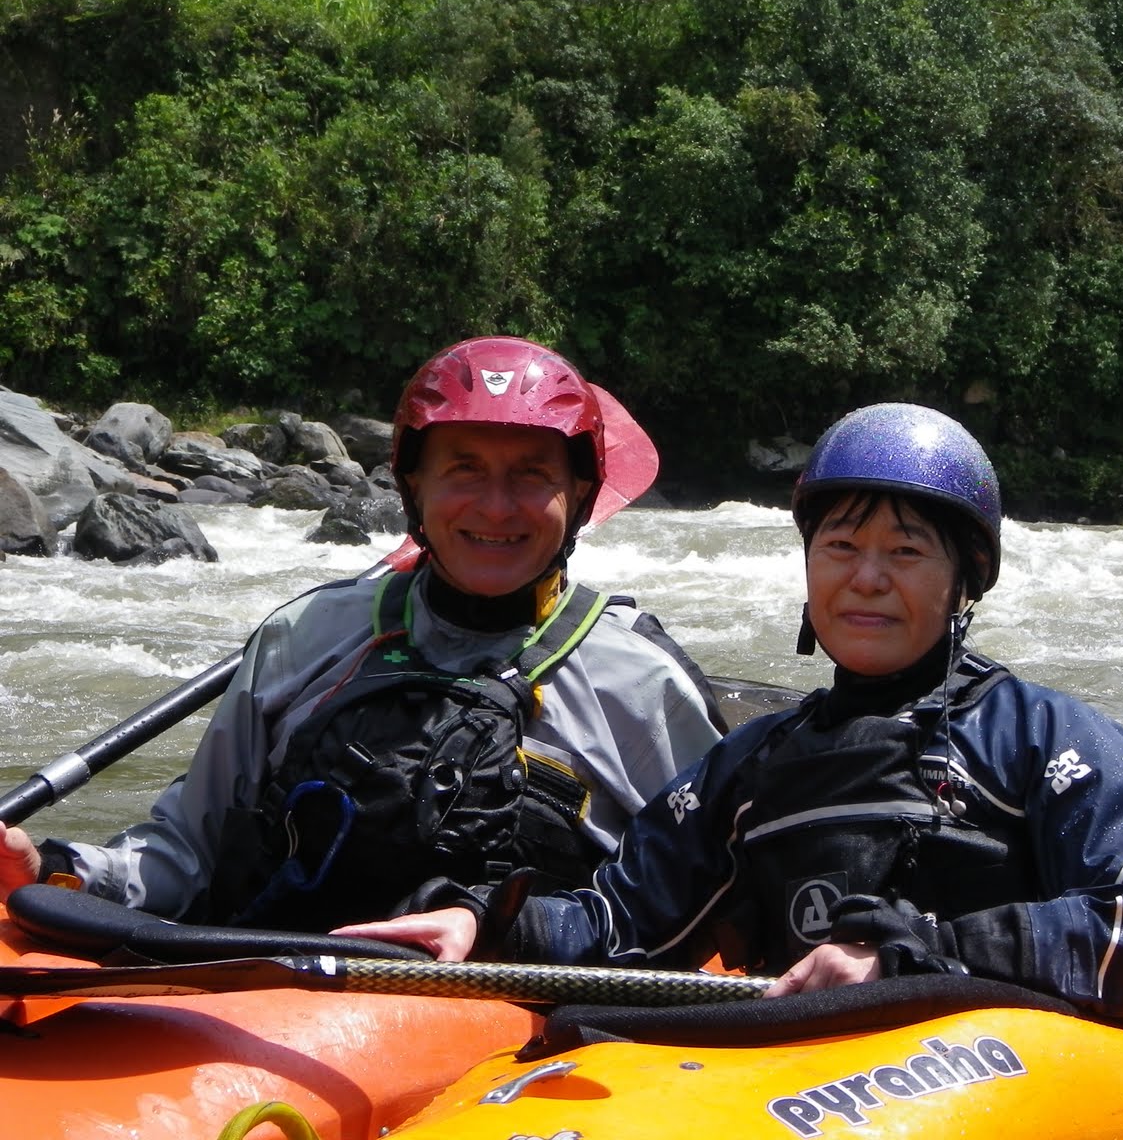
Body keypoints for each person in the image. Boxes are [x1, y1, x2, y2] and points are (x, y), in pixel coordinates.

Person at [339, 403, 1123, 1023]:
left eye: (904, 552)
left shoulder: (1049, 738)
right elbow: (618, 926)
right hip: (806, 1080)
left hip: (1008, 1071)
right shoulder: (750, 765)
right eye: (841, 548)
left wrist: (910, 953)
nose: (866, 579)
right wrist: (489, 921)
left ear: (963, 579)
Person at [0, 336, 725, 931]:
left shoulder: (640, 681)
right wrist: (58, 870)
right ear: (414, 487)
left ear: (579, 495)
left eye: (532, 475)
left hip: (519, 1042)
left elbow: (711, 896)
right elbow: (186, 853)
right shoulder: (306, 637)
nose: (497, 507)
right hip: (278, 1001)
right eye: (463, 470)